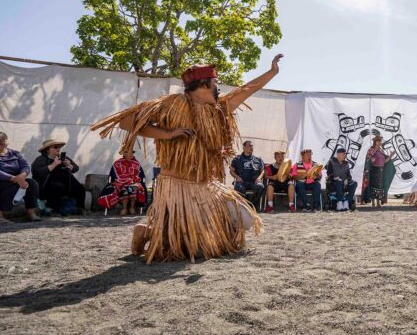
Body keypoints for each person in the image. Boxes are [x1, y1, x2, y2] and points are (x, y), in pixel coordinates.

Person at [91, 54, 283, 263]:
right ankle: (147, 232)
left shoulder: (218, 109)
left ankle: (167, 232)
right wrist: (167, 134)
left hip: (207, 186)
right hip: (177, 187)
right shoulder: (173, 105)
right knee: (185, 246)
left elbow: (247, 89)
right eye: (215, 83)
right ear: (204, 85)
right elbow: (126, 121)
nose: (218, 88)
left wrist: (272, 72)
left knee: (245, 219)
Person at [0, 131, 41, 223]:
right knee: (14, 185)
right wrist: (15, 179)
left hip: (16, 179)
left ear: (6, 141)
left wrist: (22, 175)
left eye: (1, 140)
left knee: (32, 183)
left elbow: (25, 166)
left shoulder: (15, 153)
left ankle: (31, 212)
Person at [31, 139, 86, 215]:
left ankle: (80, 208)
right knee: (57, 187)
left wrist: (70, 165)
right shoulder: (41, 159)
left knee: (80, 187)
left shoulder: (63, 157)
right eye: (55, 147)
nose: (58, 149)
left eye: (59, 147)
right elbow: (37, 172)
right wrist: (54, 164)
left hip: (67, 184)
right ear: (47, 150)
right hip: (48, 186)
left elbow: (76, 168)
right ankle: (54, 210)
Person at [110, 148, 146, 215]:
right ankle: (125, 208)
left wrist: (134, 180)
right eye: (128, 153)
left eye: (132, 153)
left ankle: (131, 207)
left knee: (133, 187)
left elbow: (141, 175)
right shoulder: (117, 163)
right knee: (125, 188)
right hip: (121, 182)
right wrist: (124, 180)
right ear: (124, 154)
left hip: (133, 182)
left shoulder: (136, 164)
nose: (131, 154)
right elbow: (114, 175)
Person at [230, 140, 265, 211]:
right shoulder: (237, 159)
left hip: (254, 182)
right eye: (249, 146)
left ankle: (252, 206)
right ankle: (242, 207)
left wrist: (259, 178)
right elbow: (231, 171)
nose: (251, 147)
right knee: (239, 187)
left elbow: (262, 171)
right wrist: (237, 177)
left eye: (252, 146)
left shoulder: (258, 159)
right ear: (244, 148)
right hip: (242, 181)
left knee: (260, 186)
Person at [366, 135, 389, 208]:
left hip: (381, 170)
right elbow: (368, 157)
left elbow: (384, 161)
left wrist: (391, 155)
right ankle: (373, 202)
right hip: (374, 169)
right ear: (375, 142)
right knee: (373, 185)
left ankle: (378, 202)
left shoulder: (381, 150)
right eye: (378, 141)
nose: (379, 142)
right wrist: (372, 157)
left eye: (380, 141)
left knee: (380, 186)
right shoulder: (371, 149)